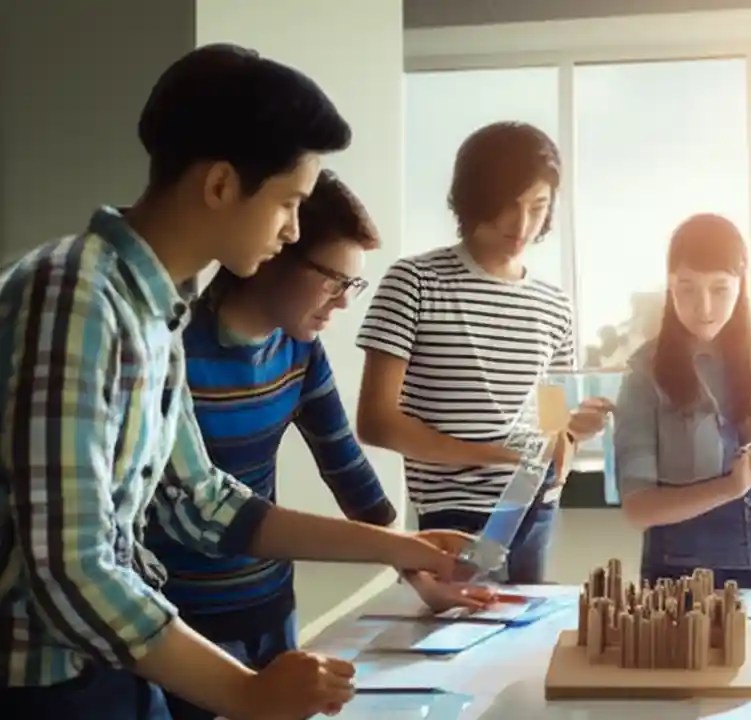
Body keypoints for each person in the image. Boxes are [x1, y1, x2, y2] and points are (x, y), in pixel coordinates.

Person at [0, 44, 462, 720]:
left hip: (111, 673)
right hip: (43, 688)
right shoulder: (74, 292)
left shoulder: (155, 309)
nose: (294, 229)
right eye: (288, 203)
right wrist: (242, 690)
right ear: (220, 185)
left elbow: (206, 503)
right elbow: (70, 571)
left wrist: (400, 547)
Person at [152, 169, 491, 720]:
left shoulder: (300, 352)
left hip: (271, 612)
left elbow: (351, 474)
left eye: (350, 286)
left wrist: (415, 564)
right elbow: (207, 510)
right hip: (176, 631)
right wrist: (402, 549)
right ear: (275, 248)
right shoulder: (171, 350)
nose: (340, 303)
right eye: (333, 280)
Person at [357, 121, 611, 584]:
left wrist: (574, 435)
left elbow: (552, 427)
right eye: (507, 206)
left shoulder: (554, 305)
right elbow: (375, 421)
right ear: (473, 199)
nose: (522, 225)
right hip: (451, 513)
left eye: (537, 207)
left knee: (523, 649)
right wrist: (495, 455)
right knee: (448, 647)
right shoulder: (413, 282)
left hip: (535, 508)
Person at [612, 213, 751, 589]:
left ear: (741, 286)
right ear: (670, 287)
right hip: (682, 575)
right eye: (687, 288)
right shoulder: (645, 371)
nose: (703, 307)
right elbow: (638, 508)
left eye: (720, 289)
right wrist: (728, 488)